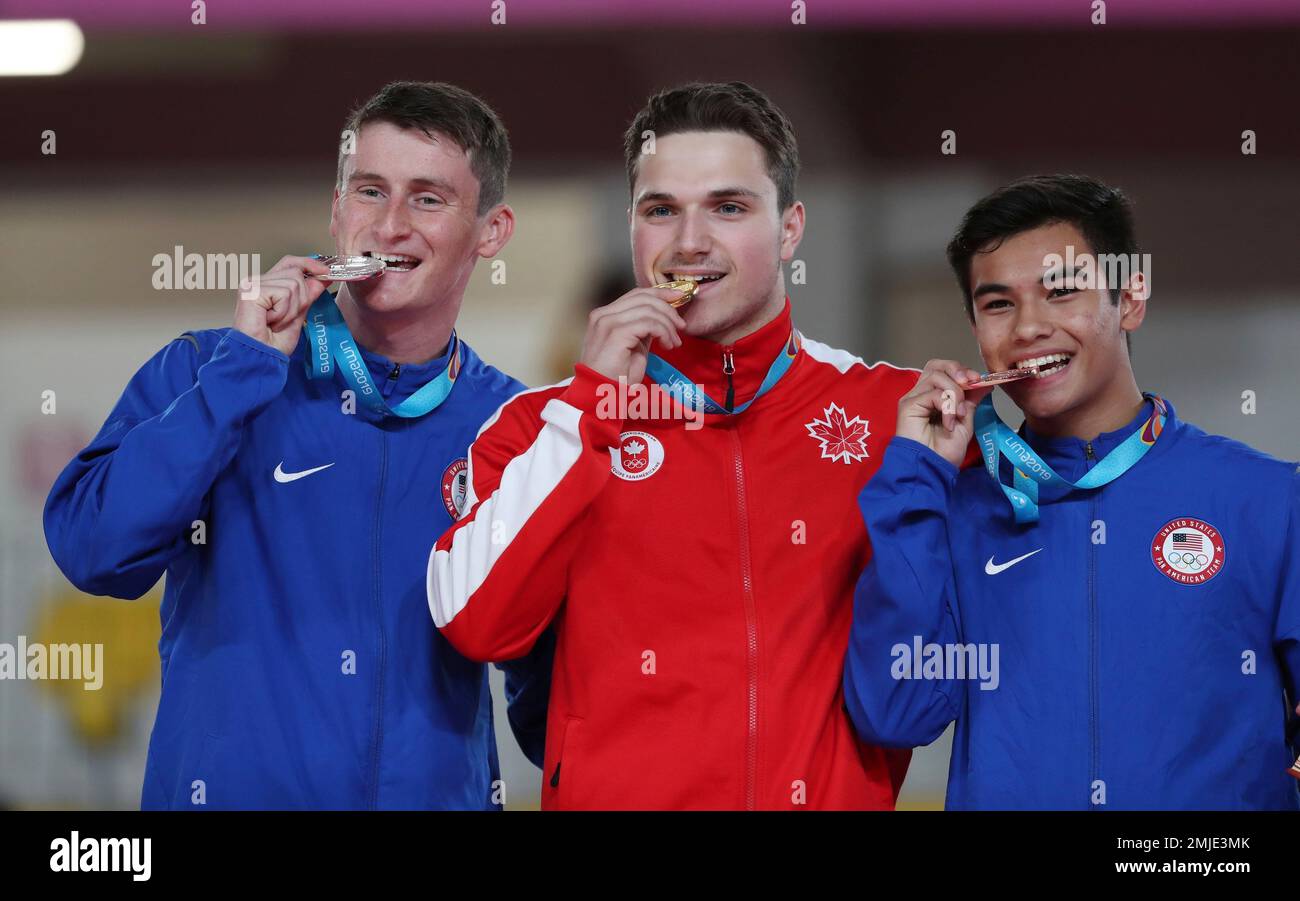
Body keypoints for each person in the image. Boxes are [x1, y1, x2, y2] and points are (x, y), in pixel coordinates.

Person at [43, 81, 550, 809]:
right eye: (369, 191)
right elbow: (93, 552)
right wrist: (242, 376)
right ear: (337, 208)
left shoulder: (512, 425)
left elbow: (548, 692)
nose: (391, 224)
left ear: (492, 231)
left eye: (429, 199)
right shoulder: (209, 370)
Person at [427, 81, 915, 810]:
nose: (690, 242)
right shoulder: (541, 428)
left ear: (790, 229)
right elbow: (475, 621)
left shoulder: (896, 414)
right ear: (633, 228)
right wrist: (590, 409)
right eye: (662, 210)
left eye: (729, 207)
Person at [843, 174, 1300, 809]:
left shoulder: (1270, 500)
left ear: (1131, 299)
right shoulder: (954, 511)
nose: (1029, 326)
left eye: (1061, 292)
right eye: (998, 304)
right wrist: (915, 474)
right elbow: (895, 714)